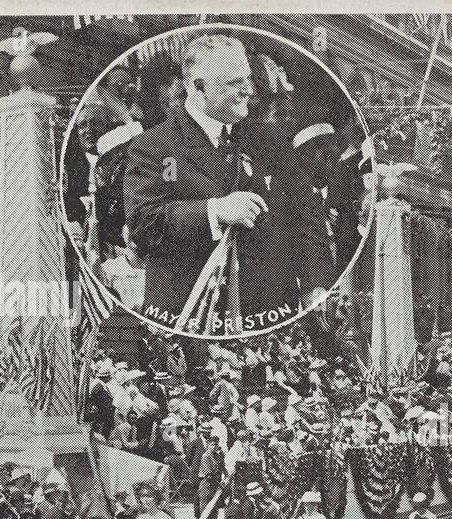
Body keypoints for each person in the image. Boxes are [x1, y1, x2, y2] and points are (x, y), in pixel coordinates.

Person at [123, 33, 333, 349]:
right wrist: (215, 210)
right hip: (190, 324)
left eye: (248, 79)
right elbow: (144, 221)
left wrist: (315, 284)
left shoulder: (268, 140)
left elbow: (307, 210)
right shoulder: (157, 147)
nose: (249, 91)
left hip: (269, 320)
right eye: (235, 82)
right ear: (198, 87)